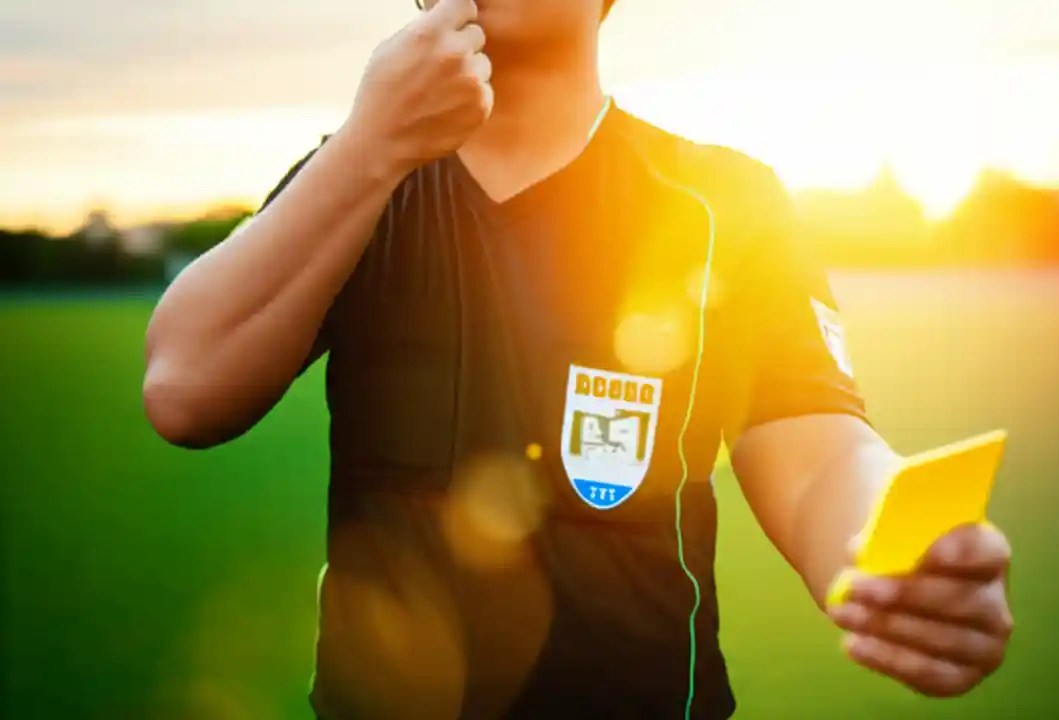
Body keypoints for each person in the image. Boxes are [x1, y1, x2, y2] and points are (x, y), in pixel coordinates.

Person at [142, 0, 1014, 717]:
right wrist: (369, 148)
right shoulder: (358, 182)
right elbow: (184, 392)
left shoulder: (722, 200)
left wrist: (890, 550)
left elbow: (819, 450)